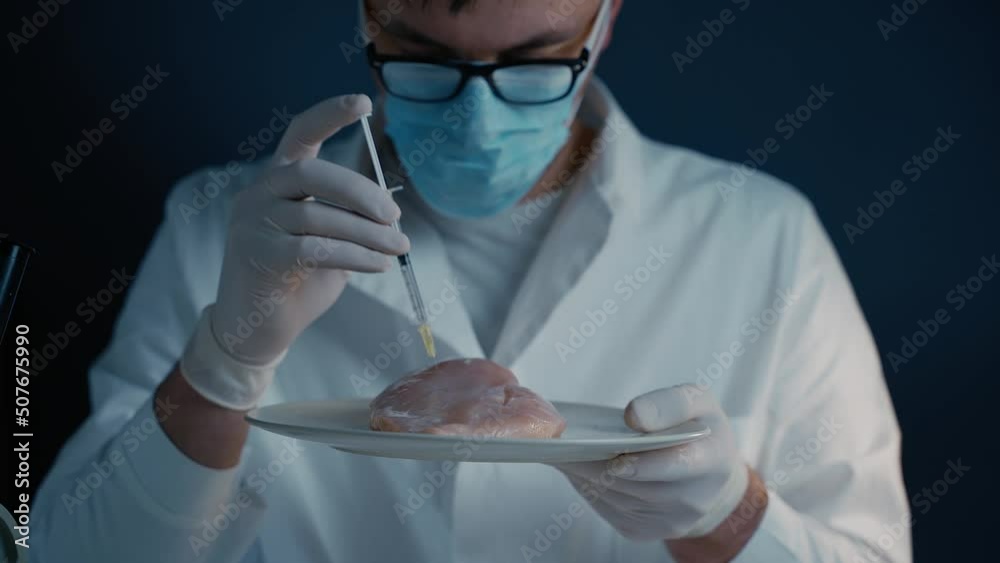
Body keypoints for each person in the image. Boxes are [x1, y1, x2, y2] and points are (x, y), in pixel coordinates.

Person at [33, 0, 911, 561]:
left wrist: (727, 514)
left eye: (534, 64)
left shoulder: (764, 237)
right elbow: (69, 556)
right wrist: (225, 360)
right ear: (368, 20)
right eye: (422, 57)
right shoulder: (220, 224)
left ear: (603, 24)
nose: (479, 119)